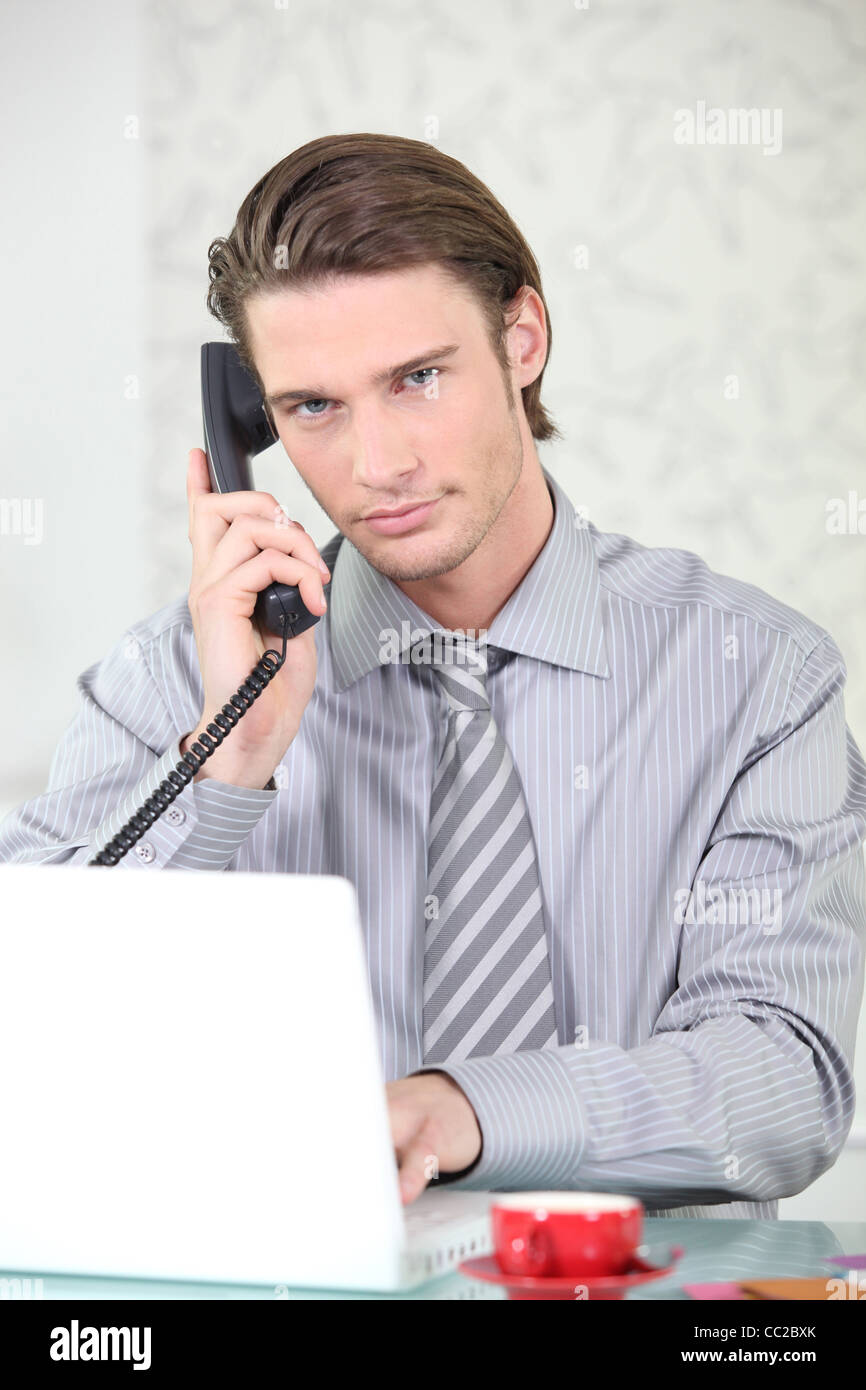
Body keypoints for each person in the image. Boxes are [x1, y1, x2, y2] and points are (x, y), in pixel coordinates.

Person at [2, 133, 865, 1218]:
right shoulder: (167, 684)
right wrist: (226, 762)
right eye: (312, 406)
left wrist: (462, 1111)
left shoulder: (757, 677)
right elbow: (29, 1028)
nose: (377, 466)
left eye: (416, 378)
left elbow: (785, 1081)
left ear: (521, 337)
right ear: (250, 425)